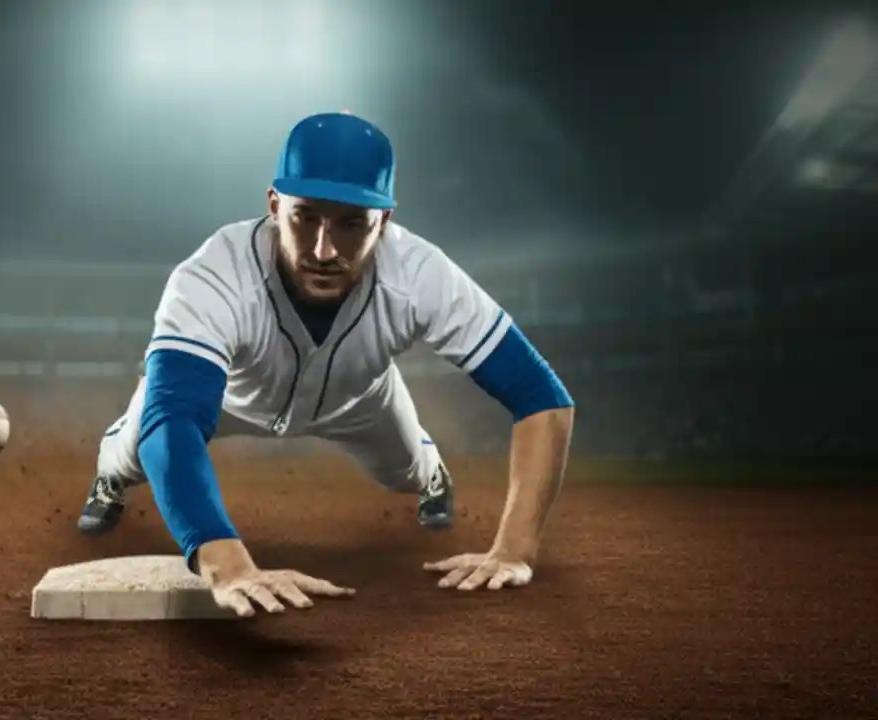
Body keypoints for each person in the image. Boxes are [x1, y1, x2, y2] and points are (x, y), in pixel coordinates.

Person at [77, 111, 576, 618]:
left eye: (351, 223)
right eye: (306, 216)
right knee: (136, 447)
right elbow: (174, 421)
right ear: (274, 205)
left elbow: (543, 399)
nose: (324, 248)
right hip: (229, 394)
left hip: (359, 398)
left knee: (407, 472)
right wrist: (222, 558)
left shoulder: (421, 274)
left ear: (385, 221)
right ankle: (108, 482)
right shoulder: (213, 275)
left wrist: (515, 551)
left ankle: (432, 475)